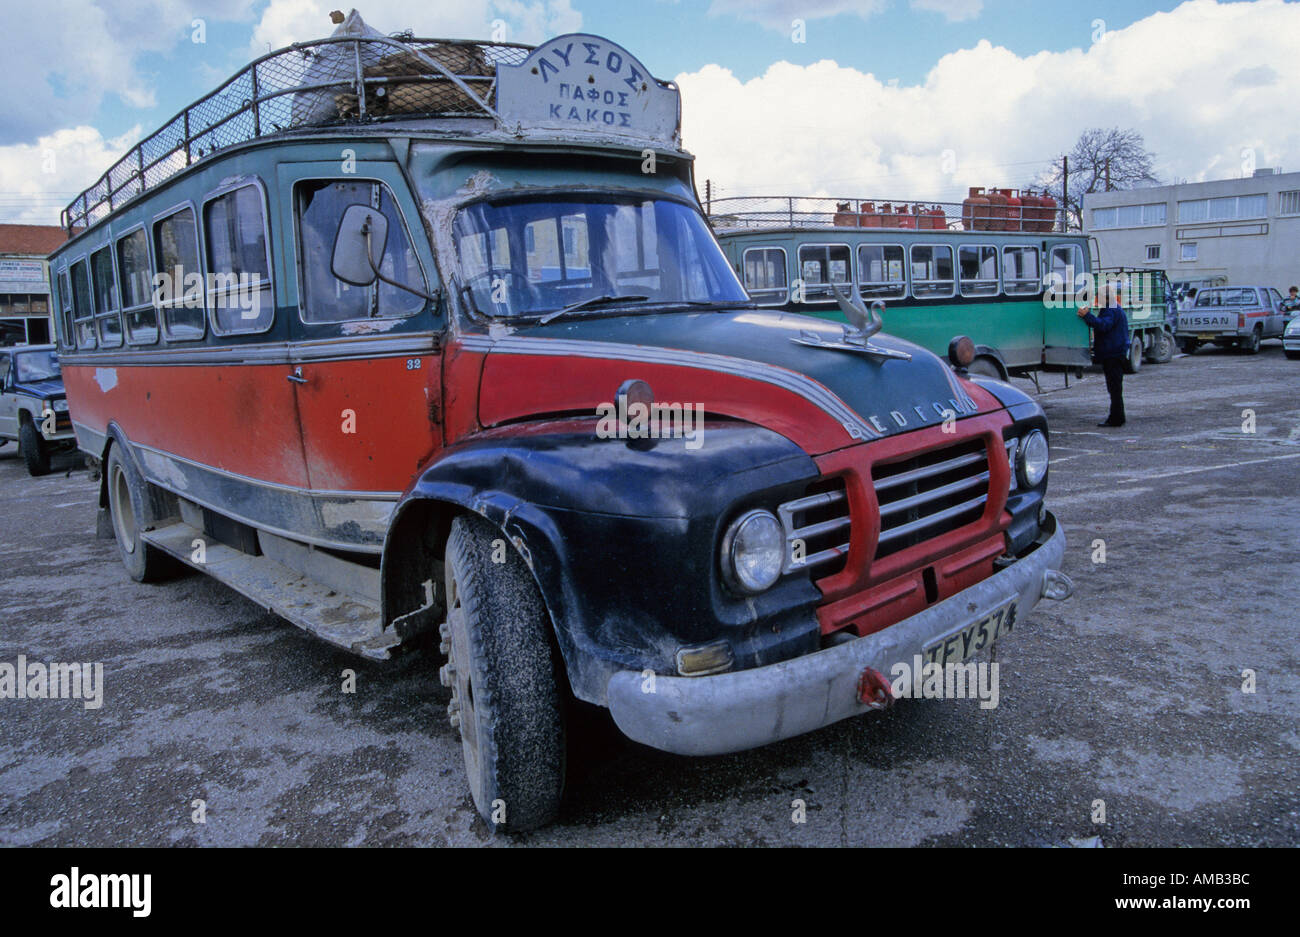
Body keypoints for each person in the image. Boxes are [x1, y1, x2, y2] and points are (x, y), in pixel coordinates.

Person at [1079, 283, 1129, 428]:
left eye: (1098, 296)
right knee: (1115, 388)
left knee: (1114, 389)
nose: (1096, 298)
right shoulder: (1114, 308)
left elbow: (1103, 325)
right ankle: (1118, 417)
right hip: (1116, 353)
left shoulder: (1110, 309)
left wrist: (1087, 316)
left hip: (1113, 354)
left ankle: (1116, 419)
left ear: (1105, 297)